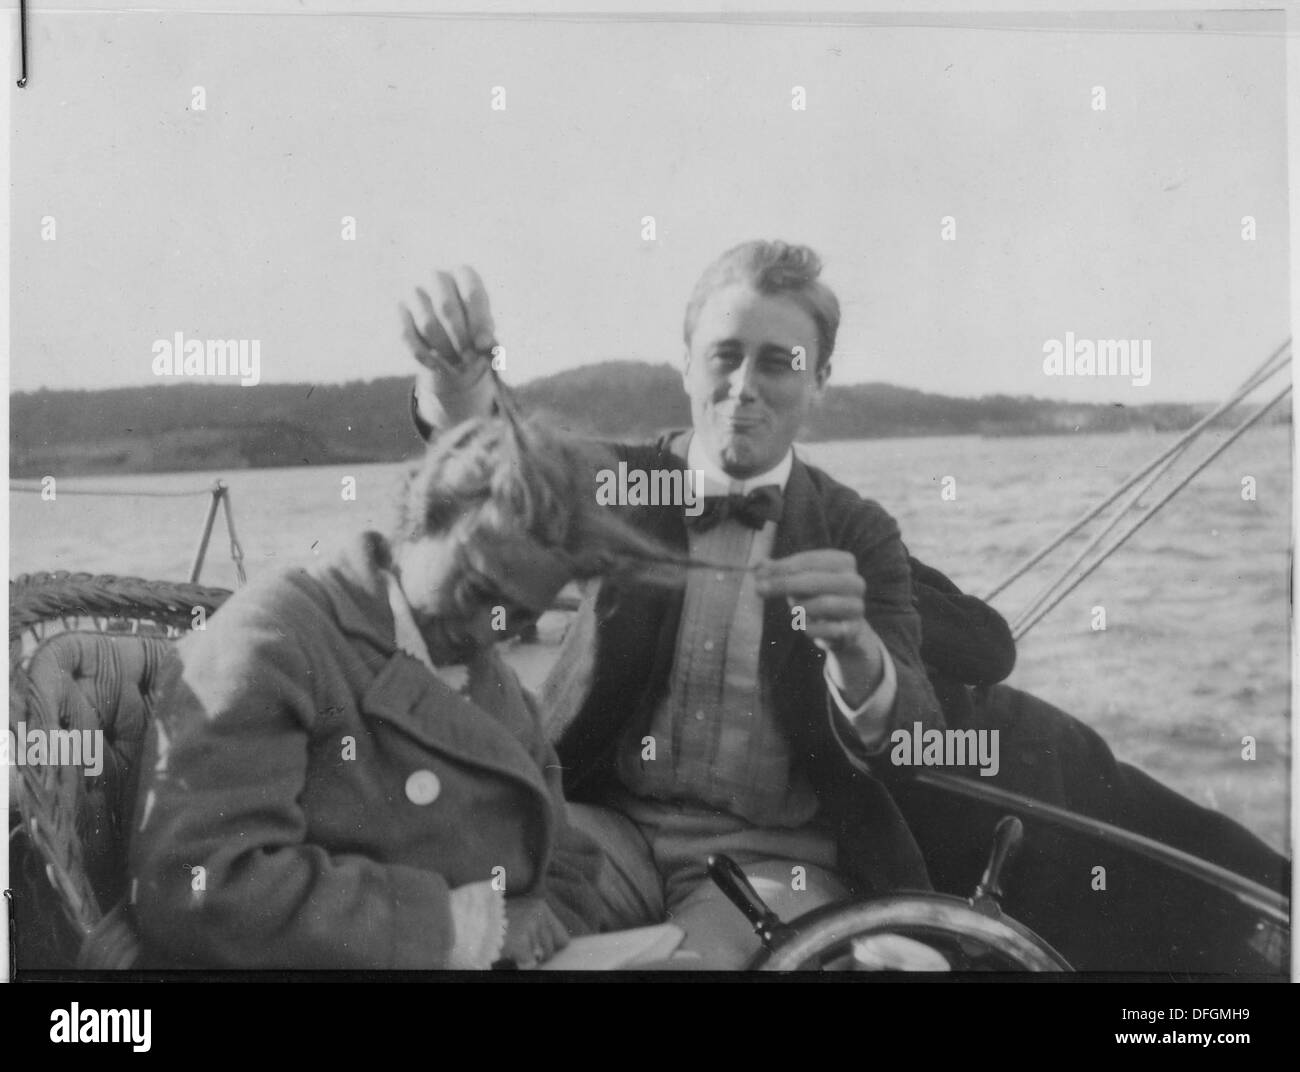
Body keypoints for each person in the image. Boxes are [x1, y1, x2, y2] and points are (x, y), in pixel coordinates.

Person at [403, 242, 1285, 966]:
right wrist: (455, 380)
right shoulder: (637, 482)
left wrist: (856, 653)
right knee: (468, 934)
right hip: (608, 829)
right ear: (686, 365)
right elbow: (508, 461)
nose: (746, 385)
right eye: (726, 355)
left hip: (771, 861)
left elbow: (911, 734)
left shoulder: (860, 532)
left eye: (779, 363)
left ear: (819, 380)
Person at [127, 412, 688, 969]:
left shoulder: (493, 684)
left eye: (518, 615)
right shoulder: (275, 640)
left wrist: (538, 938)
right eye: (475, 589)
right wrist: (463, 929)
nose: (484, 630)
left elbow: (564, 859)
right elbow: (199, 882)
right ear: (419, 521)